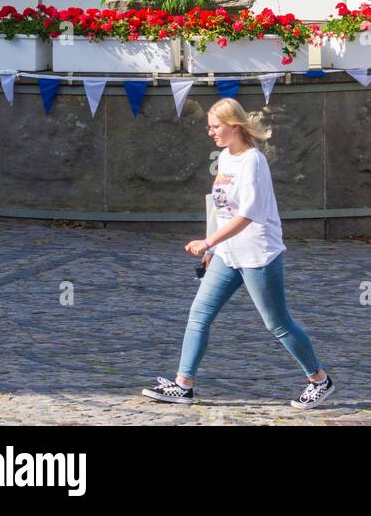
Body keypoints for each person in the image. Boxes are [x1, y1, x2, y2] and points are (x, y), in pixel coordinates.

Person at [142, 98, 334, 410]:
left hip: (259, 254)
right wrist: (213, 247)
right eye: (209, 127)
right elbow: (220, 208)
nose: (210, 133)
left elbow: (248, 214)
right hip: (227, 255)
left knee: (277, 323)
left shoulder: (253, 161)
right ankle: (183, 385)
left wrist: (206, 242)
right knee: (199, 314)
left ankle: (319, 380)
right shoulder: (225, 158)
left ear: (234, 126)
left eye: (215, 127)